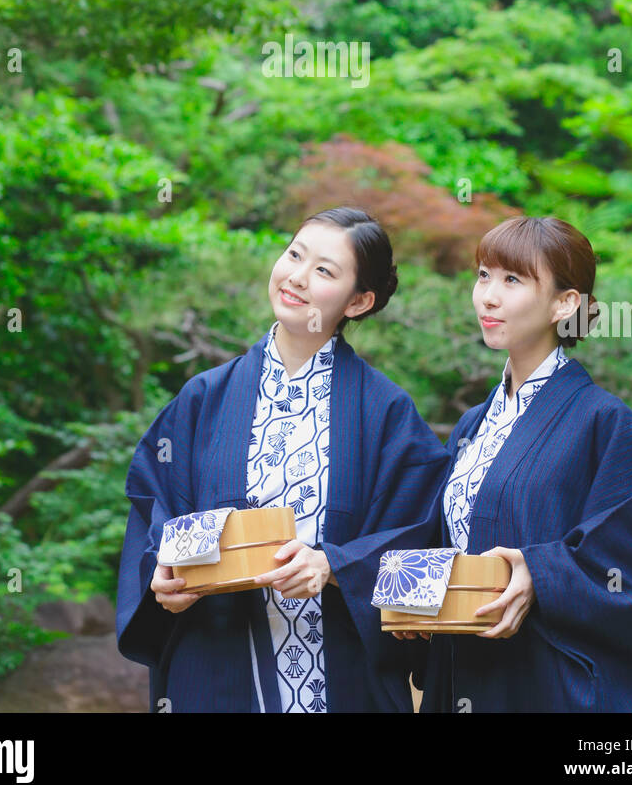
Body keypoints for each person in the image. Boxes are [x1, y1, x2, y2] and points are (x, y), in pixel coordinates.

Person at [116, 206, 450, 713]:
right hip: (215, 666)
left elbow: (421, 542)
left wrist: (335, 565)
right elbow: (152, 509)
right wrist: (158, 577)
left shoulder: (387, 413)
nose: (296, 276)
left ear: (358, 301)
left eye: (324, 270)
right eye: (295, 254)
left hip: (338, 676)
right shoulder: (203, 397)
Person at [415, 215, 632, 713]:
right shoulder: (473, 424)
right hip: (460, 680)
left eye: (512, 280)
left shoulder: (606, 425)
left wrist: (542, 571)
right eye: (483, 275)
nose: (487, 296)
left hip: (540, 687)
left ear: (565, 303)